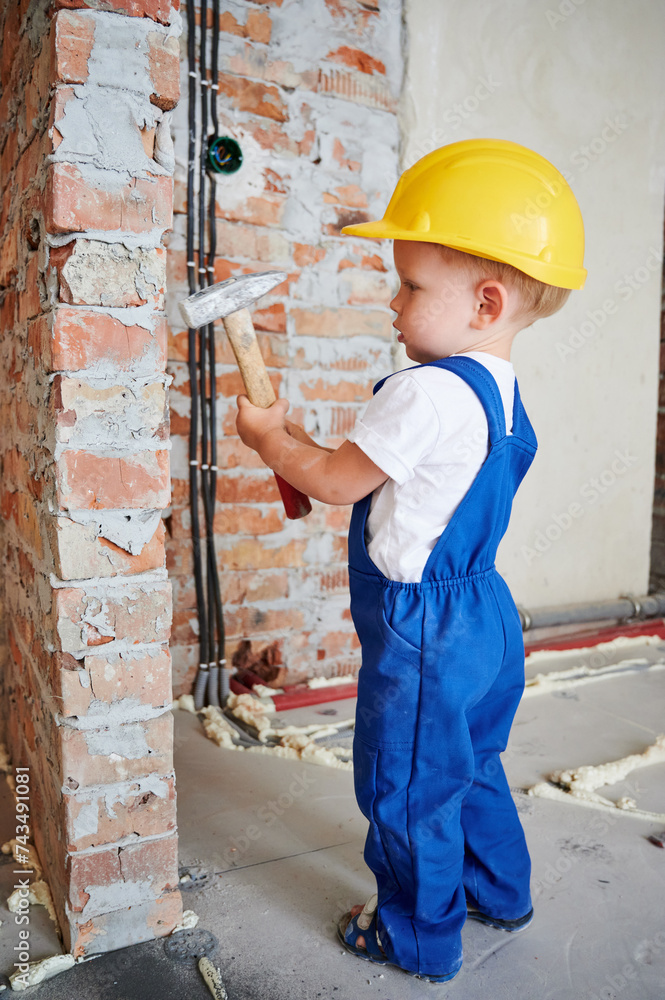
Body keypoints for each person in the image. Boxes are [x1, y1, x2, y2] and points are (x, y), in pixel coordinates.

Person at [235, 138, 586, 984]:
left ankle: (416, 937)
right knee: (470, 766)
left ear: (486, 300)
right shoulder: (497, 390)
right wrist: (292, 444)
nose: (393, 304)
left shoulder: (424, 390)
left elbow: (331, 480)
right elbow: (371, 476)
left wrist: (267, 438)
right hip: (487, 618)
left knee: (405, 787)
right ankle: (500, 891)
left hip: (426, 631)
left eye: (411, 285)